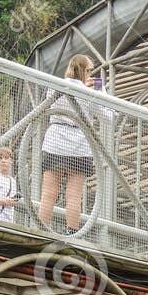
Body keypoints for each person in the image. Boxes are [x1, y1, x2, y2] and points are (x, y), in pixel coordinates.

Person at [38, 55, 100, 233]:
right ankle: (71, 231)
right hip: (79, 144)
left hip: (56, 139)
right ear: (85, 71)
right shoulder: (90, 93)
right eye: (89, 70)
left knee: (49, 192)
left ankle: (43, 230)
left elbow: (47, 106)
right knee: (74, 194)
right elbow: (109, 116)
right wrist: (99, 91)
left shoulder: (55, 86)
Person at [0, 147, 17, 223]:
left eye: (6, 158)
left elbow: (11, 202)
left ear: (11, 161)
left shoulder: (13, 181)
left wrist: (13, 202)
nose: (3, 160)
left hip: (8, 220)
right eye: (0, 158)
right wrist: (3, 201)